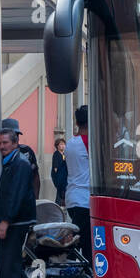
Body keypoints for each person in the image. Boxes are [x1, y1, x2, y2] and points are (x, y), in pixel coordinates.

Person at [0, 127, 42, 278]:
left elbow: (16, 195)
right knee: (9, 264)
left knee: (8, 264)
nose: (2, 146)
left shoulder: (19, 164)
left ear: (15, 143)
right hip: (13, 220)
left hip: (15, 221)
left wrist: (5, 221)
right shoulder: (11, 163)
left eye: (5, 143)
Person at [0, 117, 40, 225]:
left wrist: (35, 201)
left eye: (16, 136)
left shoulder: (26, 153)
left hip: (22, 212)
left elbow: (35, 178)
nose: (15, 139)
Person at [65, 105, 92, 263]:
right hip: (85, 200)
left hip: (72, 198)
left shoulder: (70, 143)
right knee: (86, 246)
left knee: (79, 240)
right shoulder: (90, 142)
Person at [51, 136, 68, 205]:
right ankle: (59, 203)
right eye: (61, 144)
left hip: (63, 175)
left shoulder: (64, 154)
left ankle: (61, 203)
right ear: (57, 146)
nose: (63, 146)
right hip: (58, 175)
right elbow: (55, 168)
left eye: (63, 144)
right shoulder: (56, 154)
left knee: (62, 190)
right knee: (60, 190)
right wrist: (58, 177)